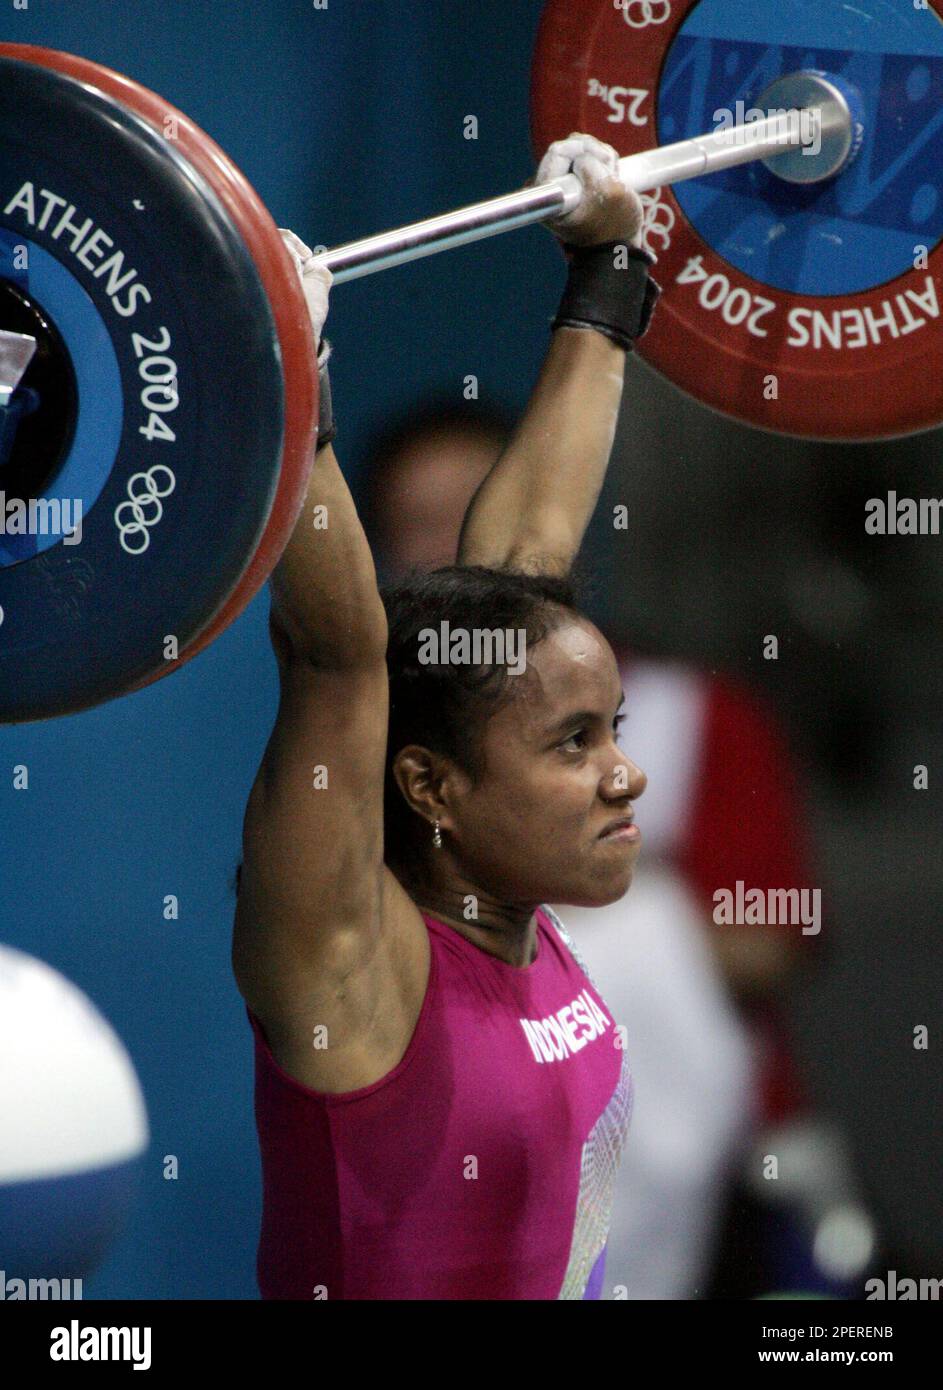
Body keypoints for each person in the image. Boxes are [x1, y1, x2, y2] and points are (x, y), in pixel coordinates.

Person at [233, 134, 662, 1300]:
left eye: (611, 728)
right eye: (576, 745)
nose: (625, 775)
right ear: (428, 786)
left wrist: (610, 273)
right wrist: (289, 375)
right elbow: (336, 656)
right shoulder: (354, 966)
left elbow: (524, 558)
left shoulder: (515, 907)